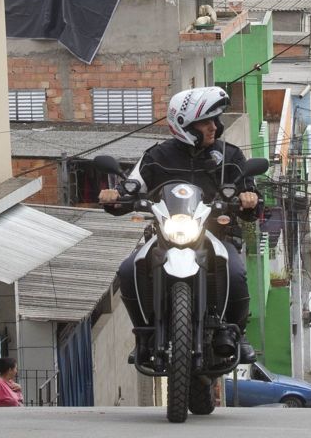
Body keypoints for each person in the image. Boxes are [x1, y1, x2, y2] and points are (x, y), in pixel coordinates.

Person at [100, 87, 260, 363]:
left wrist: (250, 199)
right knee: (128, 269)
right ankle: (144, 336)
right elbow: (132, 186)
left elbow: (252, 198)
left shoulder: (231, 157)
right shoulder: (157, 156)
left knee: (235, 272)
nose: (214, 127)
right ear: (184, 125)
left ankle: (236, 333)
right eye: (205, 122)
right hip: (166, 235)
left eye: (215, 120)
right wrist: (113, 197)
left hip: (216, 236)